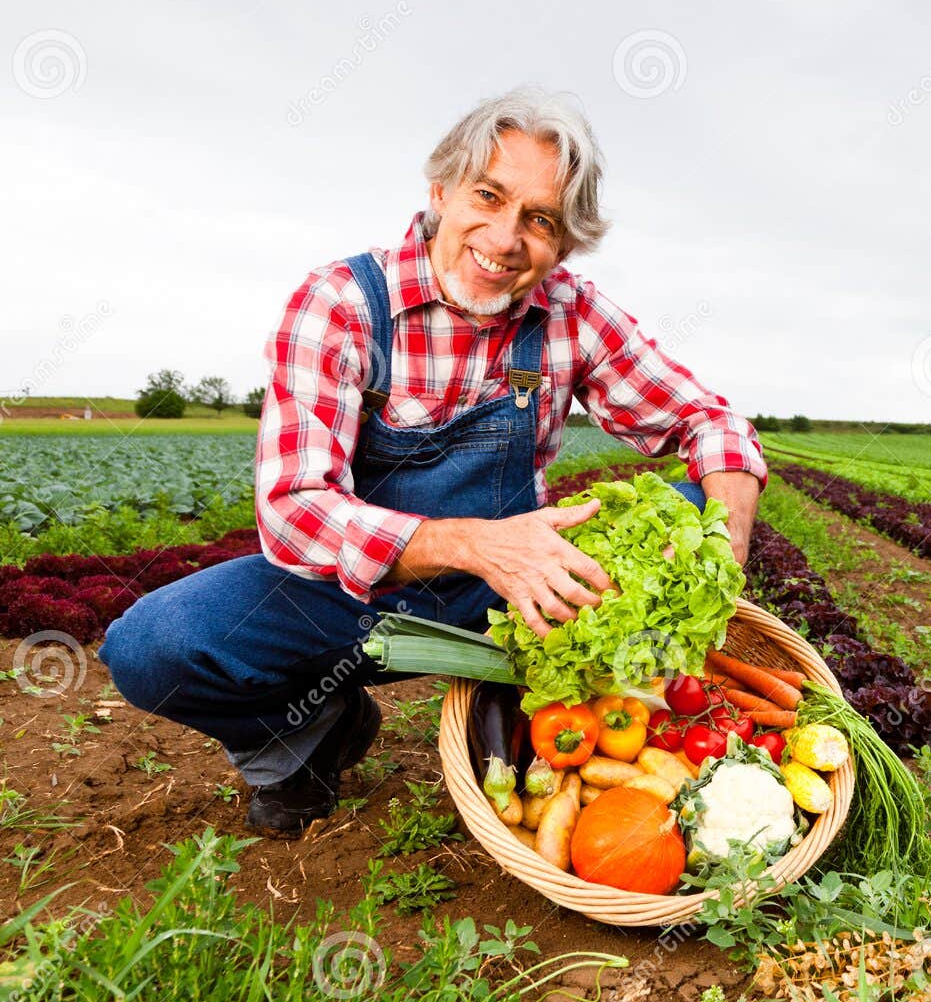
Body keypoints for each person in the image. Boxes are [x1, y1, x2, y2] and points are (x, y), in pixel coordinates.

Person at [100, 88, 766, 837]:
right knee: (153, 646)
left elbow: (710, 422)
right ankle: (307, 736)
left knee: (687, 509)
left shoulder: (570, 312)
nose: (506, 237)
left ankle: (553, 704)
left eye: (540, 220)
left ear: (563, 245)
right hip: (354, 595)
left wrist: (727, 546)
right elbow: (293, 510)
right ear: (442, 189)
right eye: (489, 195)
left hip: (520, 600)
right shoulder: (345, 302)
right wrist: (477, 544)